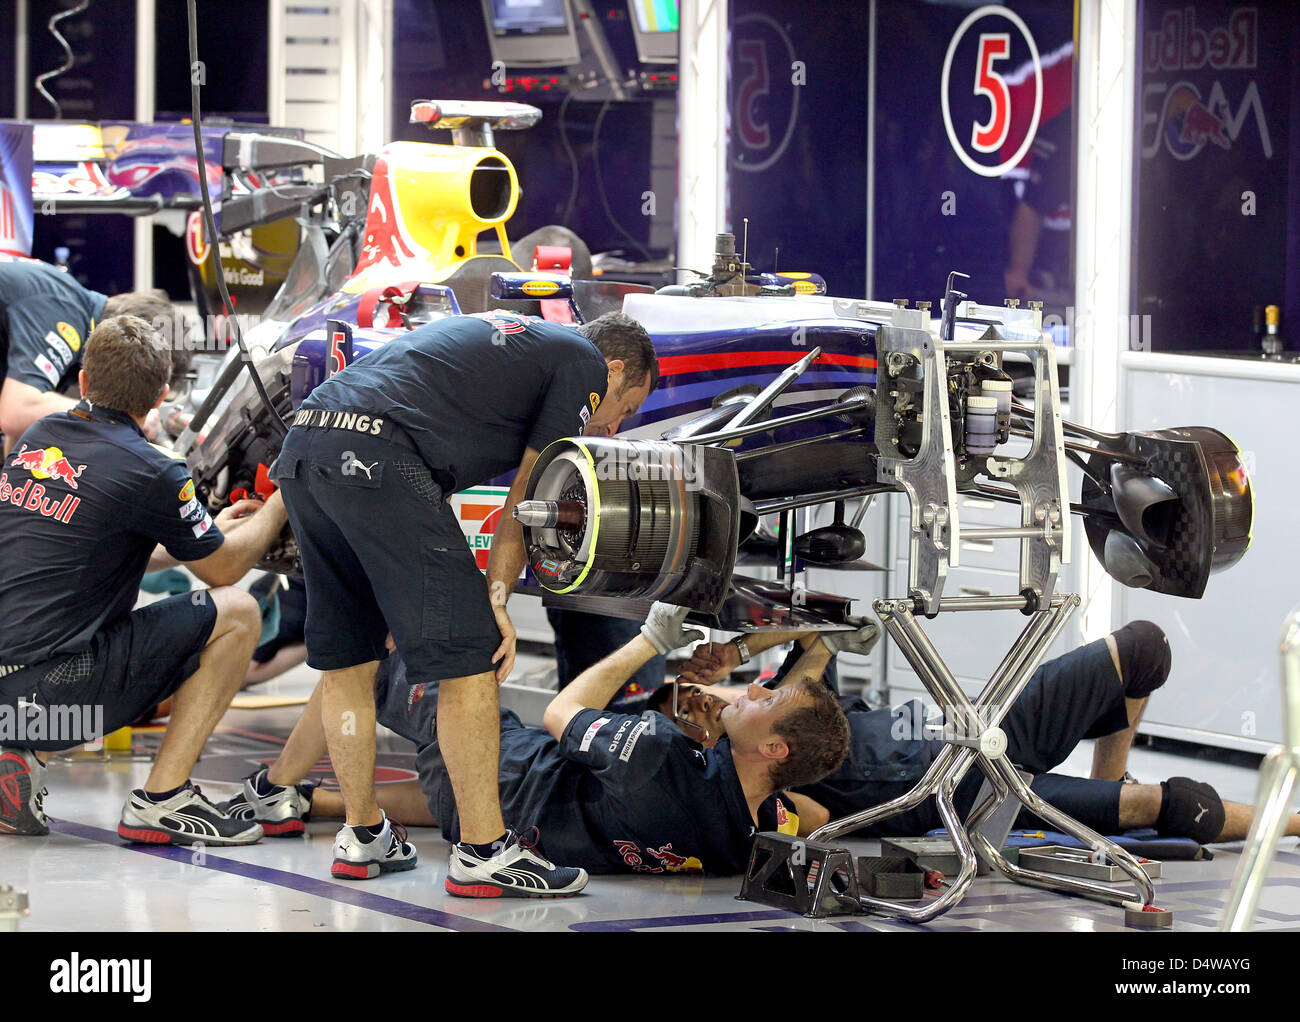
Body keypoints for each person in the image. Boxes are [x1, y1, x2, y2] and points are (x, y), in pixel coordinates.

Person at [265, 309, 658, 893]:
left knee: (352, 657)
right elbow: (526, 498)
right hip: (377, 454)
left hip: (306, 445)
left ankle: (363, 833)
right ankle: (483, 850)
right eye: (624, 409)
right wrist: (496, 603)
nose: (615, 430)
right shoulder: (582, 363)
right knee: (471, 653)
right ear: (615, 368)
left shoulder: (515, 347)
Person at [228, 603, 857, 876]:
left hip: (496, 775)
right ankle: (321, 802)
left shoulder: (663, 760)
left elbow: (563, 710)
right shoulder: (744, 835)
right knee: (498, 776)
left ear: (773, 752)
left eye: (763, 700)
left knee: (357, 660)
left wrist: (650, 643)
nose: (752, 691)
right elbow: (811, 801)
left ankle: (275, 791)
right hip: (501, 818)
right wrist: (819, 646)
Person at [0, 315, 289, 845]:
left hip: (11, 693)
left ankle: (17, 750)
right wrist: (283, 500)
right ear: (159, 398)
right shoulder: (153, 469)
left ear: (83, 382)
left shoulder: (41, 435)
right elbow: (224, 570)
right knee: (240, 612)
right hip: (53, 696)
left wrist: (201, 537)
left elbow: (98, 545)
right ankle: (164, 797)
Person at [674, 622, 1268, 845]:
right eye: (692, 709)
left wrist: (741, 648)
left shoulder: (782, 705)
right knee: (1171, 806)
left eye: (699, 693)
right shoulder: (761, 777)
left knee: (1144, 649)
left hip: (983, 723)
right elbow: (815, 825)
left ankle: (1106, 780)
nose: (710, 698)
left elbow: (823, 632)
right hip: (974, 796)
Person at [0, 255, 178, 450]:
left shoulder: (70, 304)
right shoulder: (65, 313)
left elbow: (19, 427)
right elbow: (17, 411)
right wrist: (115, 416)